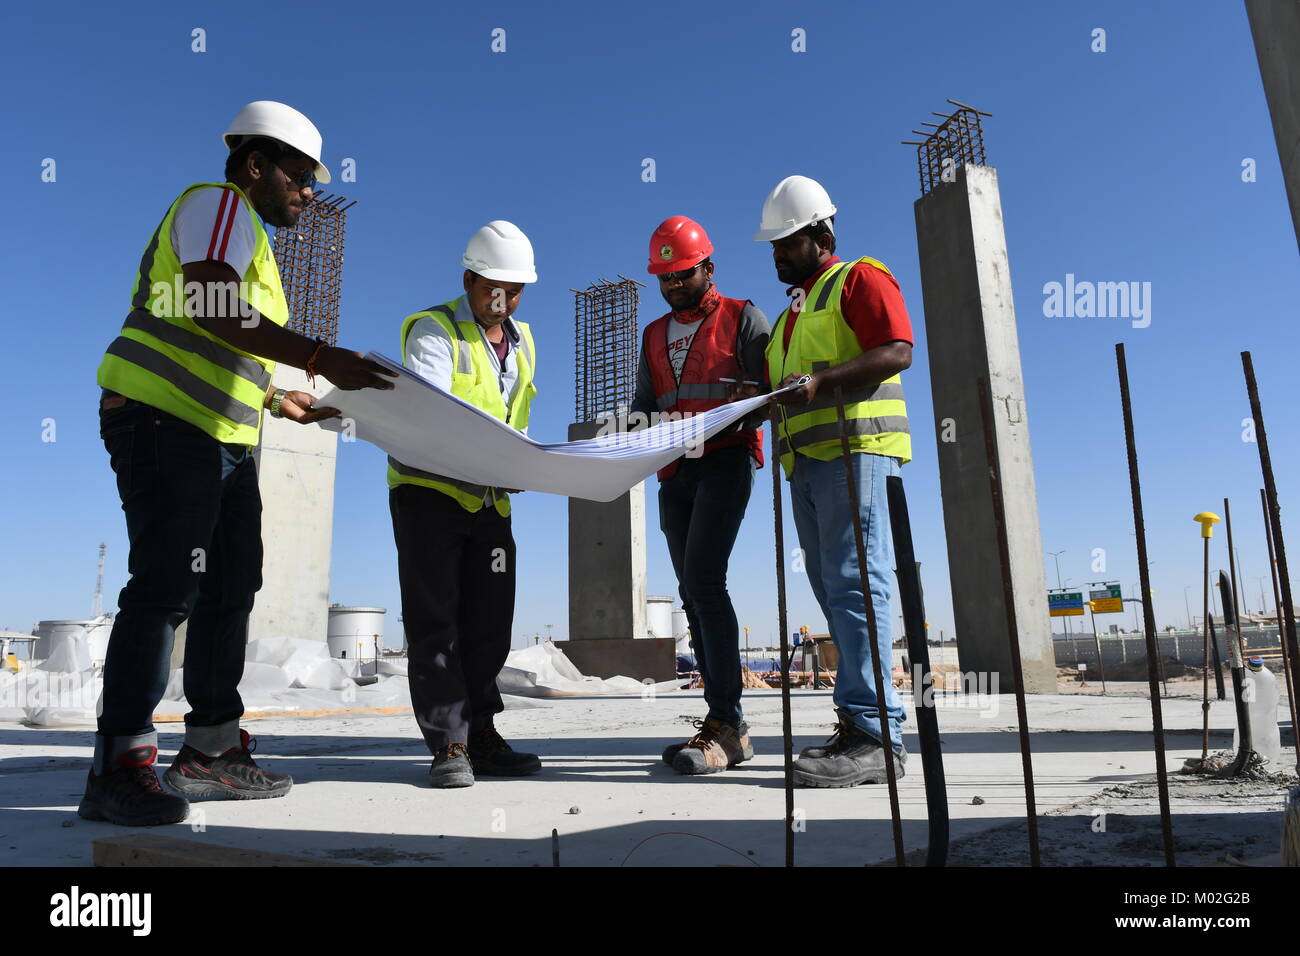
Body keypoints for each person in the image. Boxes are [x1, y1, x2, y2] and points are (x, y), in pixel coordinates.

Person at [82, 100, 396, 826]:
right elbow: (211, 303)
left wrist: (282, 392)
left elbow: (230, 343)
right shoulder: (218, 206)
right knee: (165, 585)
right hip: (164, 420)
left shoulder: (250, 240)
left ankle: (212, 753)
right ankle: (119, 766)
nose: (309, 191)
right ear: (256, 165)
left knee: (230, 585)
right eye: (298, 176)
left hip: (219, 435)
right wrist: (319, 357)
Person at [754, 175, 914, 788]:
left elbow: (896, 350)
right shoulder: (798, 309)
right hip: (809, 463)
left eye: (786, 243)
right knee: (832, 589)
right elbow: (792, 391)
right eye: (773, 246)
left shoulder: (859, 278)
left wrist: (822, 385)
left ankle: (878, 735)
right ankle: (858, 722)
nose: (777, 255)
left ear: (822, 236)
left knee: (856, 585)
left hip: (857, 453)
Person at [388, 221, 542, 788]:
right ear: (469, 279)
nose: (504, 300)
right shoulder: (433, 330)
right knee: (437, 624)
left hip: (490, 503)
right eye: (492, 287)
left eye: (516, 289)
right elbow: (434, 418)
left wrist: (524, 463)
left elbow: (513, 422)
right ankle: (449, 741)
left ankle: (481, 732)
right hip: (429, 496)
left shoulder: (524, 343)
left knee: (490, 625)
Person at [631, 216, 770, 775]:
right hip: (675, 471)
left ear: (707, 268)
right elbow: (646, 403)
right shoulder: (654, 334)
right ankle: (721, 723)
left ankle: (728, 721)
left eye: (682, 275)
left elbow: (773, 390)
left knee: (706, 579)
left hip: (727, 460)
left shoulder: (744, 317)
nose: (672, 286)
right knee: (691, 587)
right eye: (663, 278)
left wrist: (752, 398)